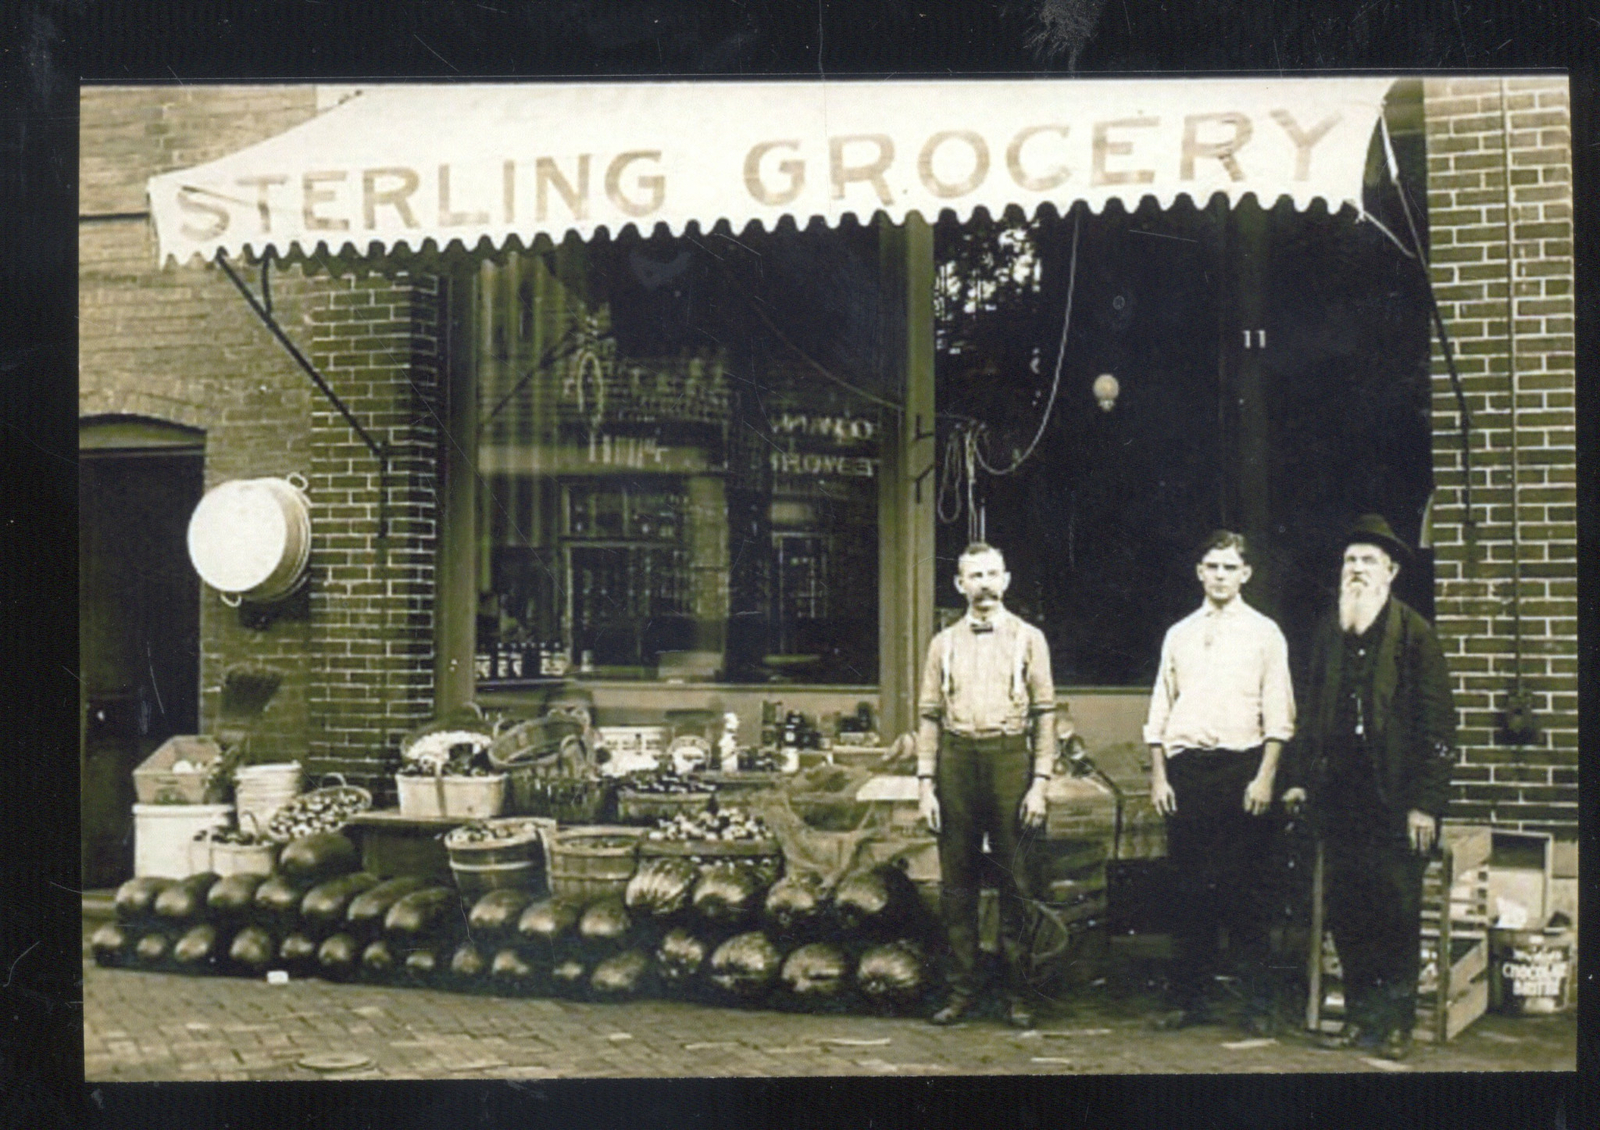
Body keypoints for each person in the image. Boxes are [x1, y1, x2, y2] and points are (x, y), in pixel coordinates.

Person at [1281, 514, 1457, 1062]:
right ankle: (1360, 1017)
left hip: (1397, 800)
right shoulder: (1328, 633)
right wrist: (1300, 782)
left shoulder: (1414, 635)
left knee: (1396, 909)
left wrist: (1426, 804)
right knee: (1349, 907)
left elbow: (1439, 728)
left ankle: (1397, 1023)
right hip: (1341, 794)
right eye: (1350, 561)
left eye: (1368, 562)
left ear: (1391, 572)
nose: (1356, 571)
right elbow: (1310, 716)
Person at [1143, 531, 1296, 1035]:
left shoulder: (1265, 633)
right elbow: (1161, 709)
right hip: (1188, 771)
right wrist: (1161, 776)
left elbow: (1278, 712)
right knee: (1189, 890)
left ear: (1246, 574)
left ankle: (1255, 1005)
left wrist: (1265, 778)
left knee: (1245, 891)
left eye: (1230, 567)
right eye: (1212, 566)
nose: (1221, 576)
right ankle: (1189, 999)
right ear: (1199, 572)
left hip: (1242, 770)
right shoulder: (1179, 634)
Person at [916, 543, 1058, 1029]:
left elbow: (1045, 715)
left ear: (1007, 579)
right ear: (959, 584)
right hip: (957, 759)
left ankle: (1018, 994)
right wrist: (925, 784)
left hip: (1008, 759)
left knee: (1017, 877)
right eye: (974, 575)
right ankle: (961, 992)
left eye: (992, 573)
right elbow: (929, 717)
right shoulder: (943, 644)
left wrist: (1039, 783)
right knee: (957, 882)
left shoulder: (1029, 638)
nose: (984, 584)